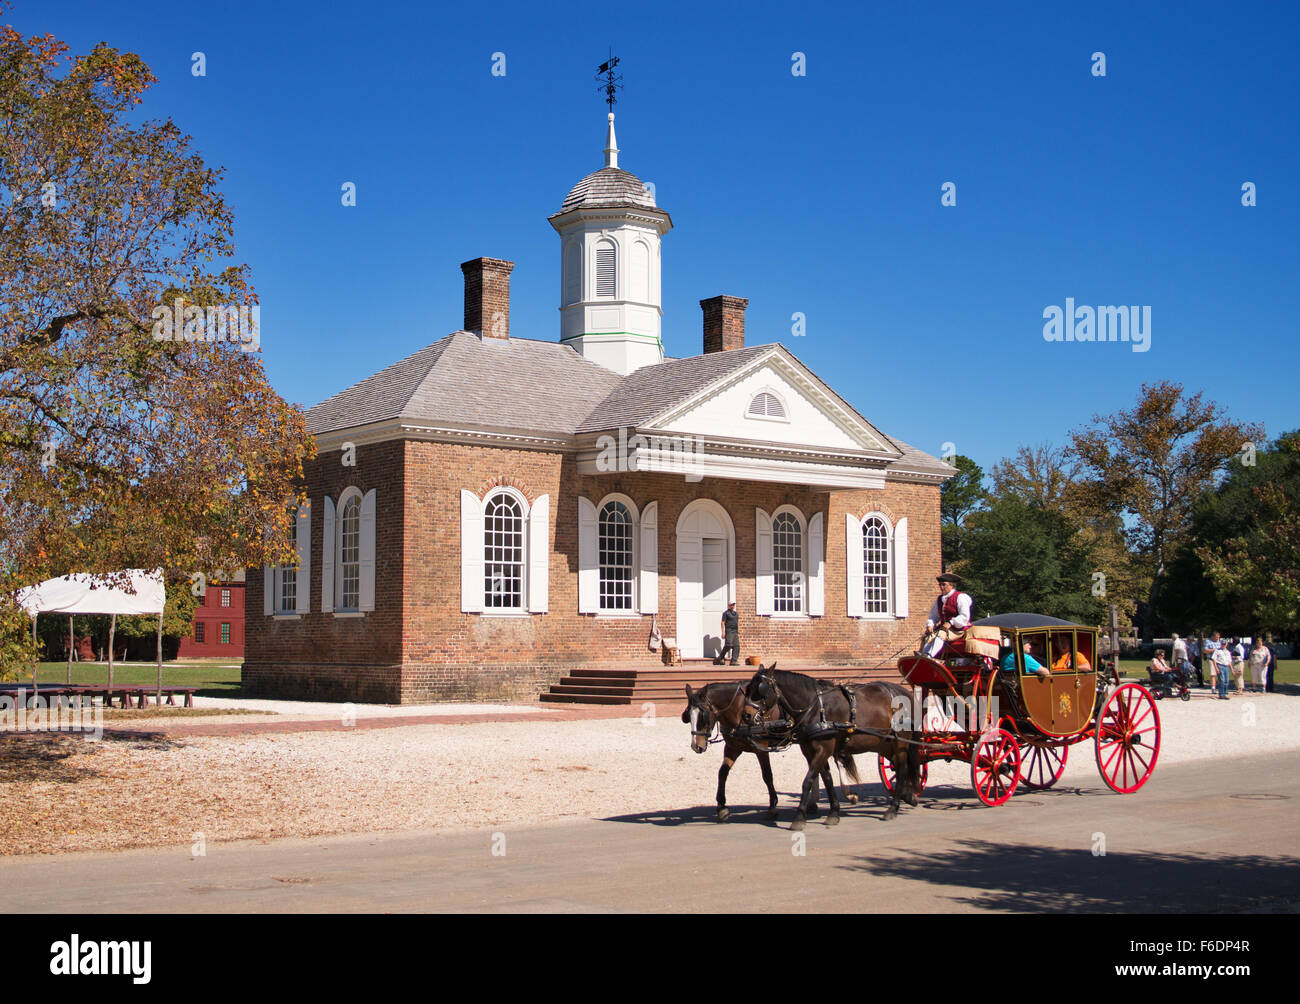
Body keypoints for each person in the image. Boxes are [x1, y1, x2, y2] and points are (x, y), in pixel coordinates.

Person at [923, 573, 972, 658]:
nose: (941, 587)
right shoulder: (939, 599)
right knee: (929, 637)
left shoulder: (960, 597)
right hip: (944, 629)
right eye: (940, 585)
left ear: (951, 585)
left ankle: (929, 656)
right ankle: (922, 656)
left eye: (944, 585)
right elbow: (934, 616)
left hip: (958, 630)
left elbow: (964, 616)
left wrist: (951, 622)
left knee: (941, 634)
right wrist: (930, 625)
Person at [716, 601, 739, 666]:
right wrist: (723, 632)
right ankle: (721, 657)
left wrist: (738, 631)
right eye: (731, 605)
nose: (732, 606)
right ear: (729, 605)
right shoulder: (726, 613)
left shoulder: (736, 613)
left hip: (735, 632)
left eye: (733, 605)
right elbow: (722, 622)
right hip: (729, 631)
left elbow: (736, 622)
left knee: (736, 646)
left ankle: (733, 661)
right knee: (729, 645)